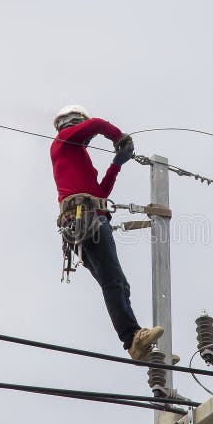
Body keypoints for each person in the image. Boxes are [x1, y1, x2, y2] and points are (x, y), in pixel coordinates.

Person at [50, 105, 163, 360]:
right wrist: (119, 137)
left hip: (90, 219)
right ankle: (133, 338)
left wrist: (116, 164)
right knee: (113, 281)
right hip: (86, 220)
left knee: (118, 283)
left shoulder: (77, 158)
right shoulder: (62, 143)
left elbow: (101, 194)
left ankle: (137, 342)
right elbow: (97, 124)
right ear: (72, 122)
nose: (88, 140)